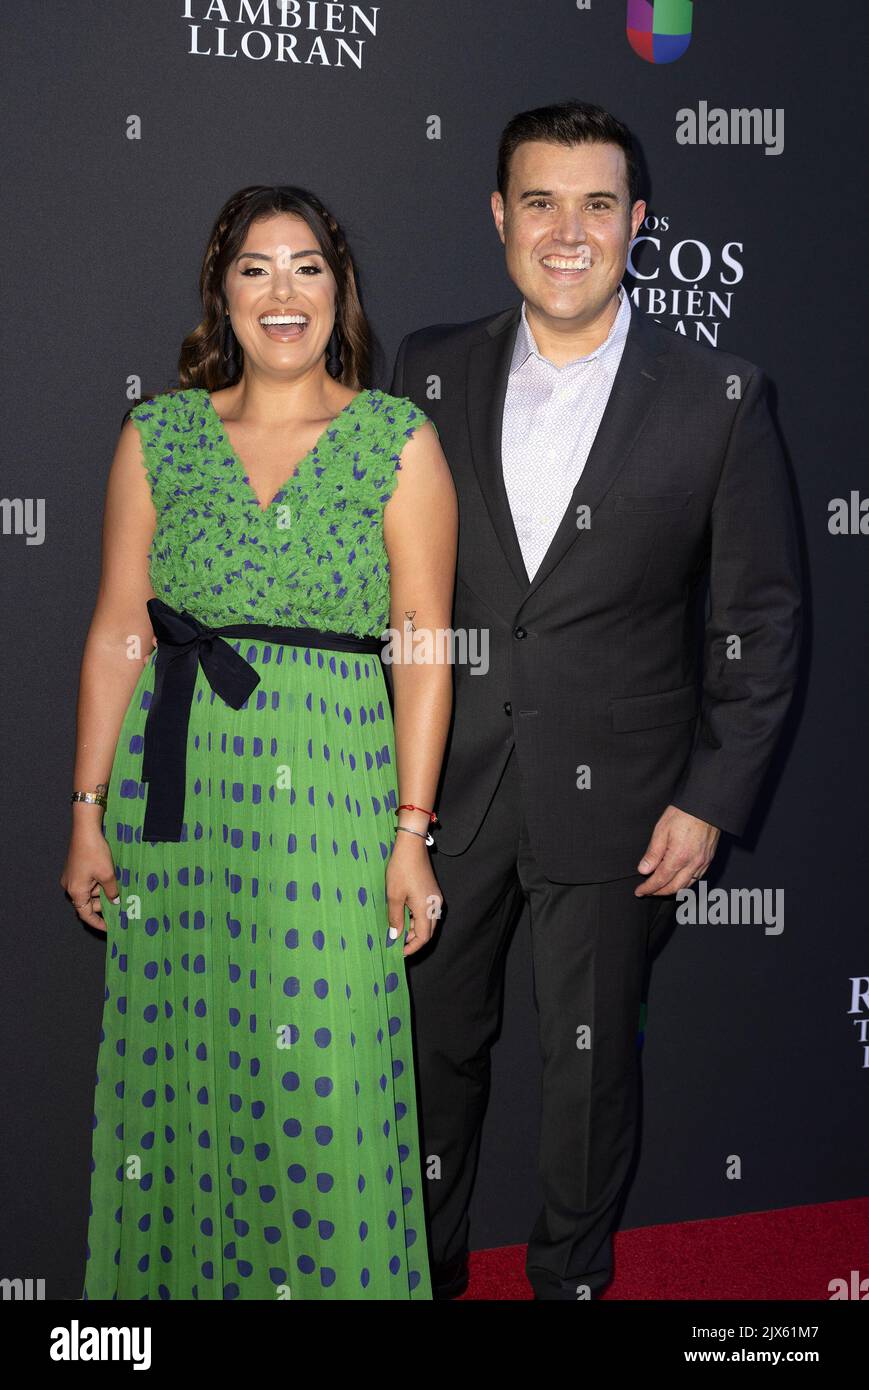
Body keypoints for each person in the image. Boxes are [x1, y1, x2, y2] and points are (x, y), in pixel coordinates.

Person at [390, 101, 802, 1301]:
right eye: (538, 200)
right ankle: (419, 1271)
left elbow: (757, 616)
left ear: (636, 221)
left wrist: (709, 796)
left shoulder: (719, 393)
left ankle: (570, 1282)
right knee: (426, 1056)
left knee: (583, 1080)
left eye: (596, 203)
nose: (566, 230)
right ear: (497, 217)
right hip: (439, 793)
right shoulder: (425, 368)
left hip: (621, 803)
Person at [62, 183, 457, 1300]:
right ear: (220, 294)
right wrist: (86, 811)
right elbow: (116, 632)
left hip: (333, 791)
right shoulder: (158, 434)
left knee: (325, 1077)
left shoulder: (395, 439)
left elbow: (426, 641)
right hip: (178, 794)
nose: (282, 293)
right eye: (255, 269)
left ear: (341, 291)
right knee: (187, 1068)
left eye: (307, 268)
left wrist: (411, 832)